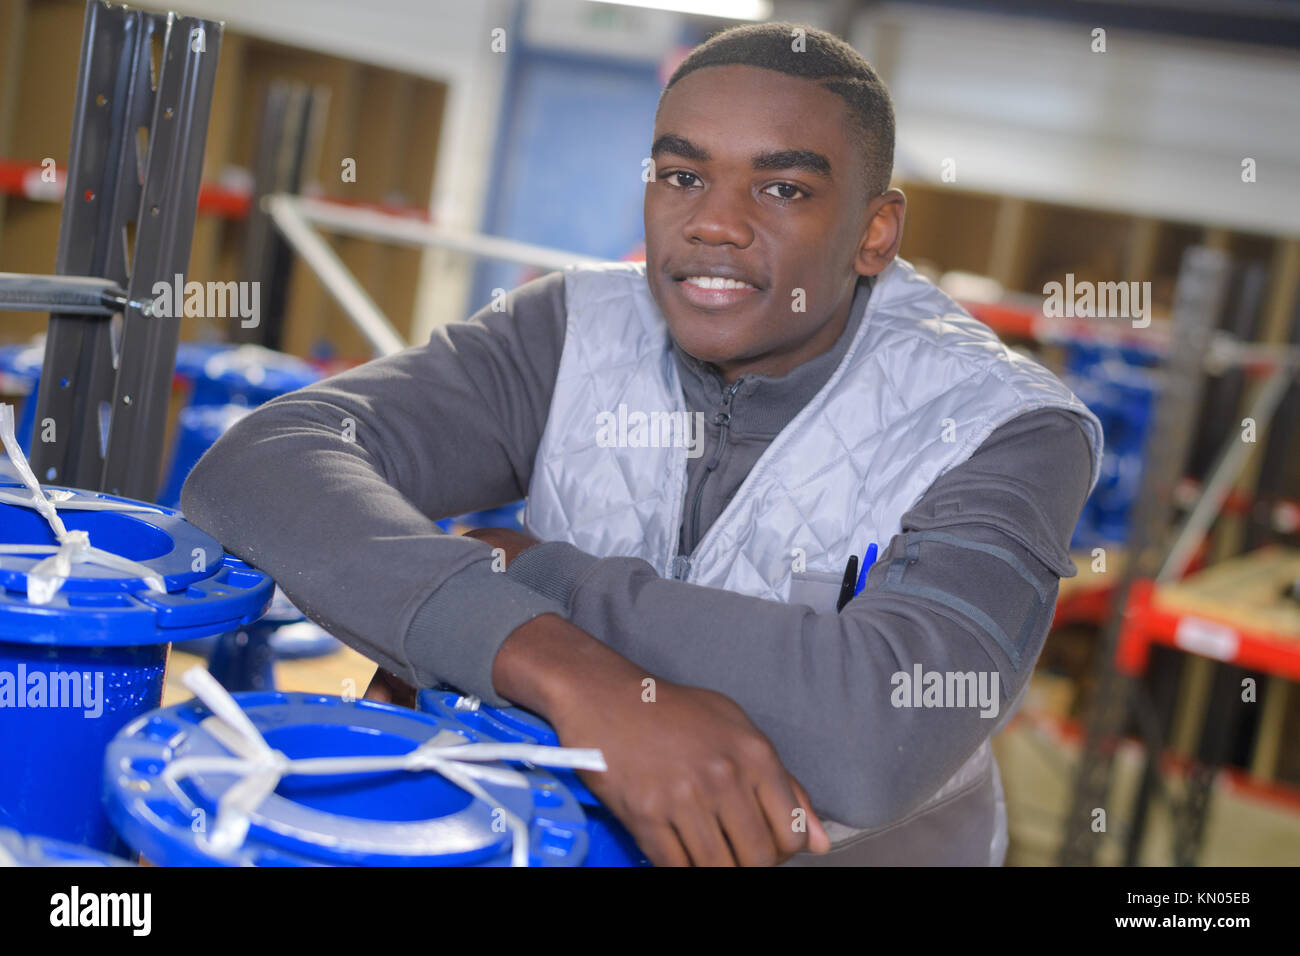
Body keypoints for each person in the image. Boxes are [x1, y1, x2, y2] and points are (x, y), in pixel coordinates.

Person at [182, 22, 1102, 866]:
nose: (714, 222)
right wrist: (569, 671)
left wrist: (542, 578)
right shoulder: (572, 328)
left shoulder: (1004, 423)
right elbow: (263, 464)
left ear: (874, 232)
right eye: (682, 175)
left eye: (783, 188)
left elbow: (875, 731)